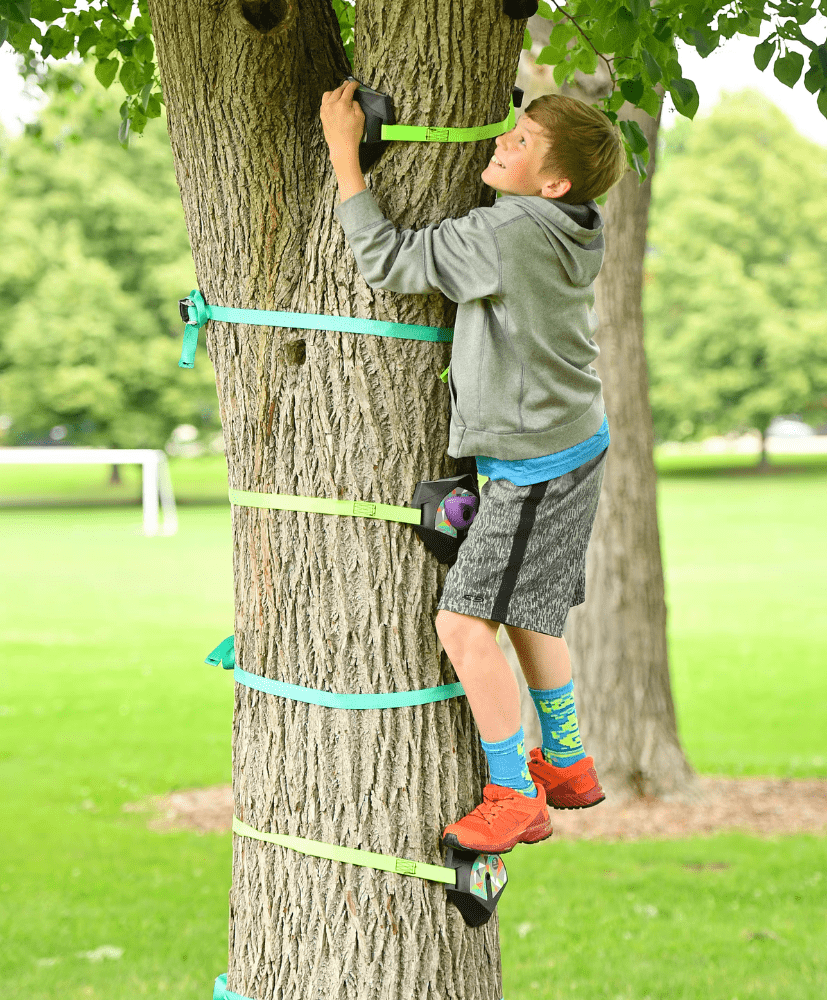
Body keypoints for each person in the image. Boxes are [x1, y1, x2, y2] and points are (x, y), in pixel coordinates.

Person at [321, 79, 628, 854]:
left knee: (462, 625)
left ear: (553, 182)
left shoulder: (510, 233)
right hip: (575, 439)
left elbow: (388, 262)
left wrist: (343, 153)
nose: (500, 141)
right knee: (530, 606)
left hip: (535, 464)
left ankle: (514, 793)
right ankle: (566, 760)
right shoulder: (573, 221)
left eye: (520, 142)